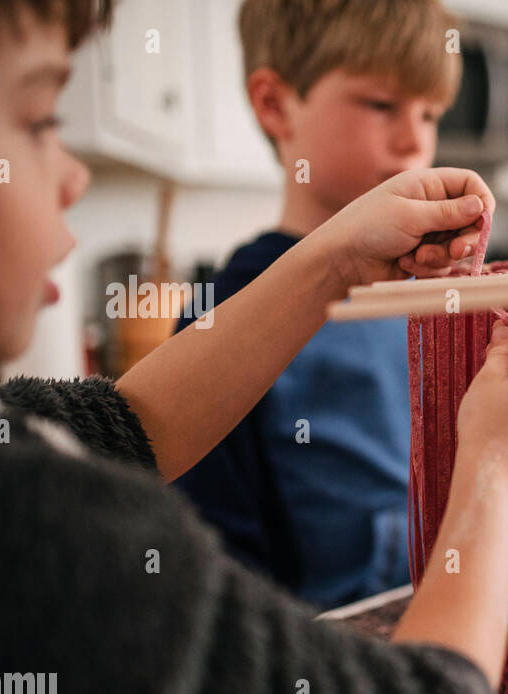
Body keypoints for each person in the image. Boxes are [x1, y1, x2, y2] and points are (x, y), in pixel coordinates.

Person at [0, 0, 508, 694]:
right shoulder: (12, 525)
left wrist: (335, 257)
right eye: (38, 121)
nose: (74, 177)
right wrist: (500, 472)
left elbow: (120, 427)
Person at [173, 0, 466, 610]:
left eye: (431, 112)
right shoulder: (224, 314)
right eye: (381, 104)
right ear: (276, 104)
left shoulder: (440, 293)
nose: (415, 140)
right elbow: (220, 574)